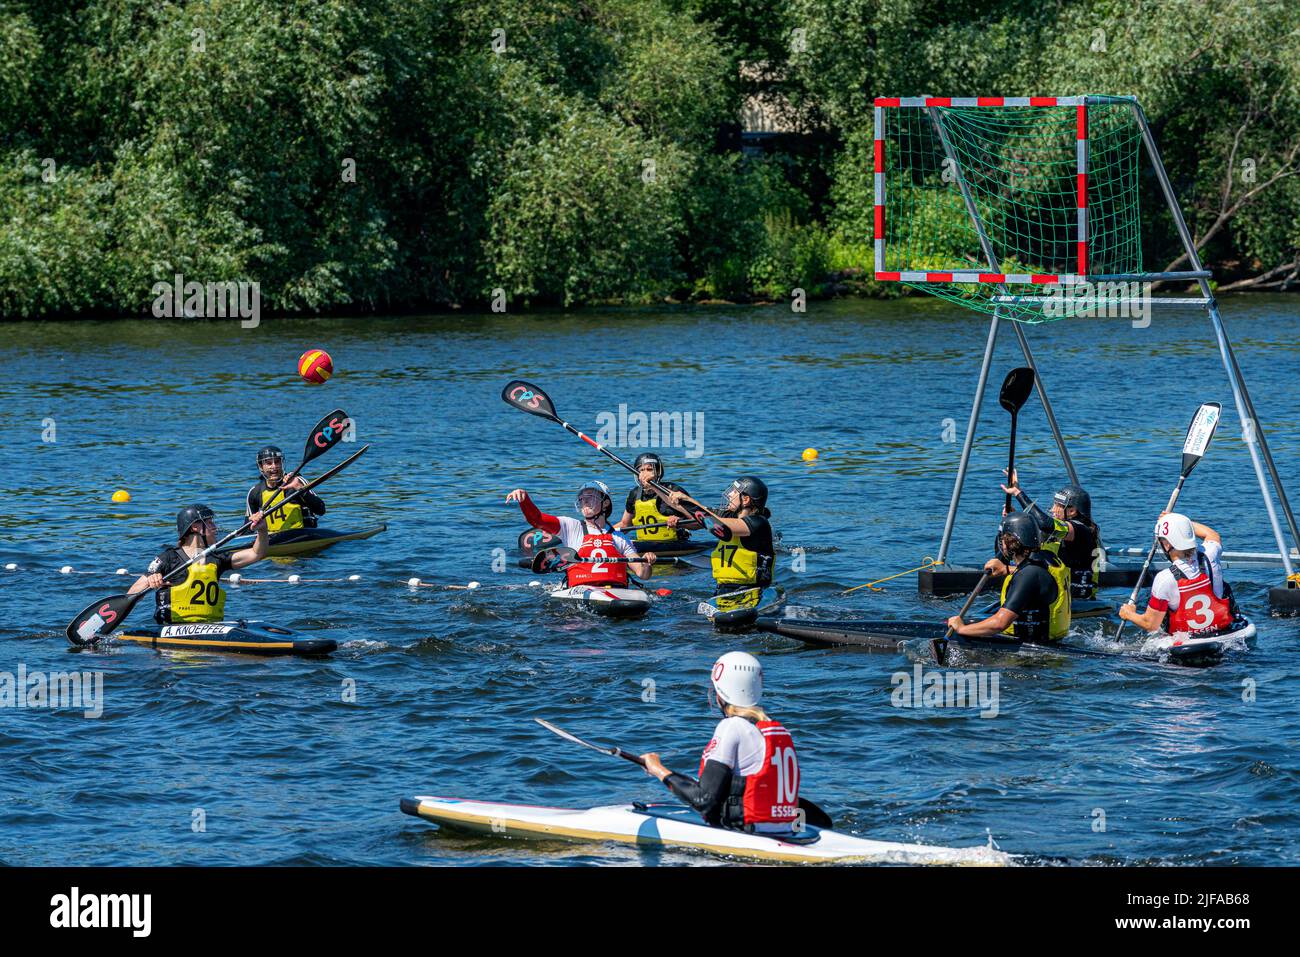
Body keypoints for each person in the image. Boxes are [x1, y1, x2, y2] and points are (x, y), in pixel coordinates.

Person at [641, 652, 800, 834]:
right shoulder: (779, 731)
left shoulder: (732, 726)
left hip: (746, 835)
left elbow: (704, 801)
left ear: (719, 695)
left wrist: (657, 769)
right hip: (785, 831)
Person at [128, 504, 269, 623]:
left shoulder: (217, 558)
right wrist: (152, 580)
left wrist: (262, 530)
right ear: (195, 527)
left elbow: (257, 553)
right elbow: (132, 594)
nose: (215, 527)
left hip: (210, 626)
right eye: (209, 523)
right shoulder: (168, 558)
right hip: (172, 627)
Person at [948, 511, 1071, 641]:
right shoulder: (1048, 558)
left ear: (1008, 542)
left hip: (1032, 653)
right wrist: (1005, 569)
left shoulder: (1028, 575)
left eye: (1002, 539)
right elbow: (1038, 578)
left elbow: (999, 623)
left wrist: (961, 628)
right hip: (1052, 641)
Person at [506, 481, 655, 585]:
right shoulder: (571, 526)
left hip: (615, 592)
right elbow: (537, 520)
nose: (585, 501)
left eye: (590, 497)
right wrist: (524, 500)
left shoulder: (619, 538)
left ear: (606, 503)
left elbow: (643, 574)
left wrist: (647, 562)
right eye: (582, 498)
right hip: (580, 590)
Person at [1118, 513, 1239, 636]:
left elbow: (1151, 624)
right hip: (1222, 631)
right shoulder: (1211, 554)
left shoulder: (1164, 579)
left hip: (1185, 644)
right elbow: (1212, 535)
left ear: (1167, 545)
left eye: (1161, 541)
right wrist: (1182, 524)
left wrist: (1128, 614)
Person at [997, 470, 1103, 599]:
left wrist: (1017, 493)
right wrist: (1010, 522)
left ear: (1072, 511)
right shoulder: (1056, 534)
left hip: (1078, 597)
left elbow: (1045, 524)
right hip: (1057, 590)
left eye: (1057, 506)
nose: (1052, 509)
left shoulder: (1082, 531)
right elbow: (1007, 551)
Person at [667, 476, 774, 596]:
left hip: (754, 589)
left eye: (734, 491)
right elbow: (684, 509)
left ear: (746, 499)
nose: (729, 495)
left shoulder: (759, 523)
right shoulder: (727, 515)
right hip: (722, 589)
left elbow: (718, 525)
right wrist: (652, 486)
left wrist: (688, 500)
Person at [615, 453, 696, 546]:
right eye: (641, 470)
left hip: (676, 545)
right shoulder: (634, 494)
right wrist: (601, 535)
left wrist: (680, 523)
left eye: (649, 469)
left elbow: (698, 523)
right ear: (637, 475)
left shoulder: (674, 491)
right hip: (645, 548)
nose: (645, 473)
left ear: (658, 472)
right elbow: (625, 525)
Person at [246, 445, 325, 532]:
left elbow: (321, 510)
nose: (274, 466)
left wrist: (299, 488)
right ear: (261, 467)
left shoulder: (297, 480)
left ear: (282, 463)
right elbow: (247, 529)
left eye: (277, 462)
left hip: (303, 534)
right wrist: (253, 524)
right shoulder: (254, 492)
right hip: (272, 539)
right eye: (269, 463)